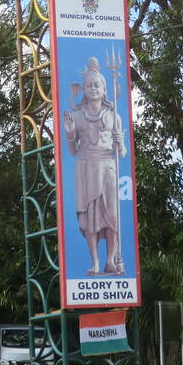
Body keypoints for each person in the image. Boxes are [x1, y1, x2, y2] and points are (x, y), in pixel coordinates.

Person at [63, 57, 126, 276]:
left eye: (96, 85)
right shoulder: (78, 116)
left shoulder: (113, 115)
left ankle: (111, 260)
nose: (92, 89)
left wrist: (119, 143)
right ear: (84, 89)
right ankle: (96, 262)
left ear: (104, 89)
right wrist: (70, 132)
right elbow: (72, 150)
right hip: (86, 166)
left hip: (107, 166)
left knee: (112, 216)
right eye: (89, 85)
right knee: (91, 218)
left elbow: (122, 153)